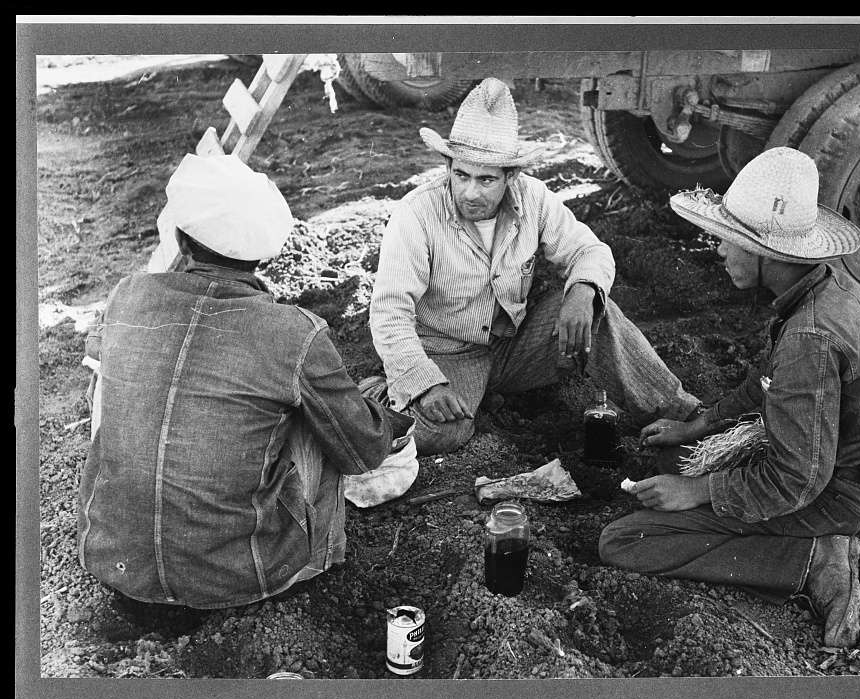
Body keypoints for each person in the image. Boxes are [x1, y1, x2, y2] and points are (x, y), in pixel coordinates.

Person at [599, 147, 860, 648]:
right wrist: (700, 425)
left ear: (768, 252)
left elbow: (797, 479)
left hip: (836, 494)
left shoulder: (809, 338)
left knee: (625, 541)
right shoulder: (820, 291)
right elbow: (767, 379)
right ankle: (809, 540)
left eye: (729, 241)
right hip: (836, 468)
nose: (719, 252)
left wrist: (699, 491)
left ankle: (813, 558)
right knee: (671, 456)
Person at [77, 153, 401, 610]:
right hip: (234, 581)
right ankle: (320, 562)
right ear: (263, 254)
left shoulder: (127, 294)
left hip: (114, 562)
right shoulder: (293, 332)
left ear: (180, 240)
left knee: (111, 377)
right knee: (316, 419)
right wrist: (383, 416)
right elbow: (362, 451)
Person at [369, 77, 701, 455]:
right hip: (446, 354)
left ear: (511, 176)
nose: (470, 192)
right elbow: (389, 312)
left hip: (515, 346)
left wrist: (583, 291)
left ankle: (687, 415)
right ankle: (382, 393)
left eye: (486, 179)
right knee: (441, 433)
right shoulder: (416, 214)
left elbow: (589, 250)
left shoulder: (533, 197)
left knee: (597, 310)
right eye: (460, 175)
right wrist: (425, 383)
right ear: (448, 164)